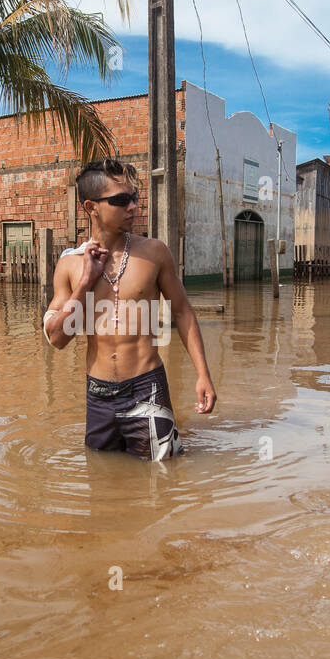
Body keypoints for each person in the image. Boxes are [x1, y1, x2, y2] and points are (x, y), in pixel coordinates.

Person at [42, 157, 216, 460]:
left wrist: (203, 374)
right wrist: (85, 283)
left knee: (164, 479)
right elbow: (56, 338)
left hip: (146, 388)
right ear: (90, 207)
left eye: (134, 198)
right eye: (121, 200)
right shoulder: (70, 265)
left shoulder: (154, 253)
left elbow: (183, 312)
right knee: (101, 481)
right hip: (97, 395)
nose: (133, 207)